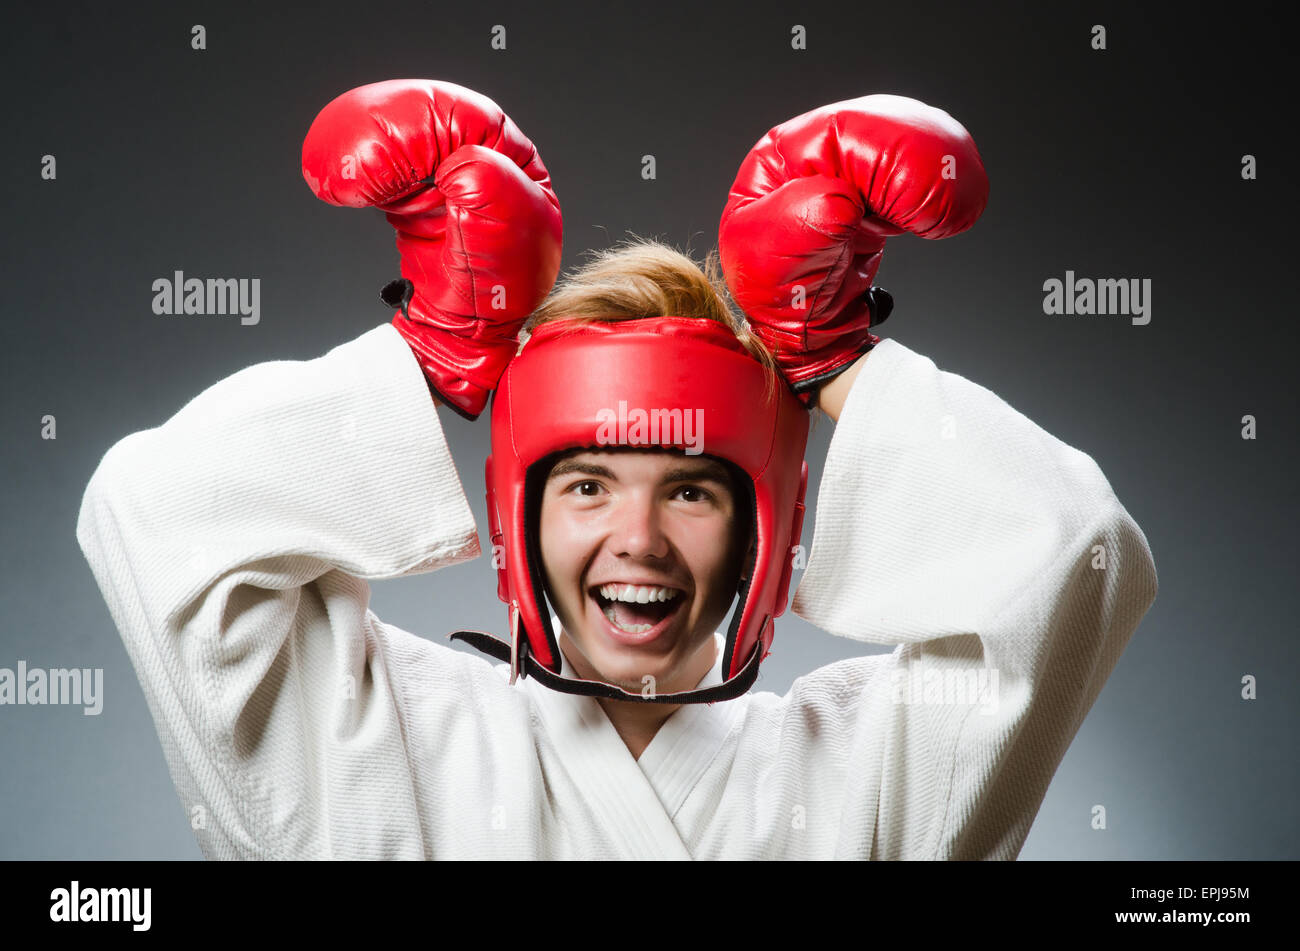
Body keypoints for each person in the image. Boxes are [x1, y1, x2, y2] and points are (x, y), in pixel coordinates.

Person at [75, 80, 1158, 859]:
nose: (636, 539)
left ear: (765, 528)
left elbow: (1075, 556)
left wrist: (834, 358)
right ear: (518, 515)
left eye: (690, 488)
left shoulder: (869, 778)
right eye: (587, 484)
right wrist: (437, 352)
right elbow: (158, 515)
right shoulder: (379, 743)